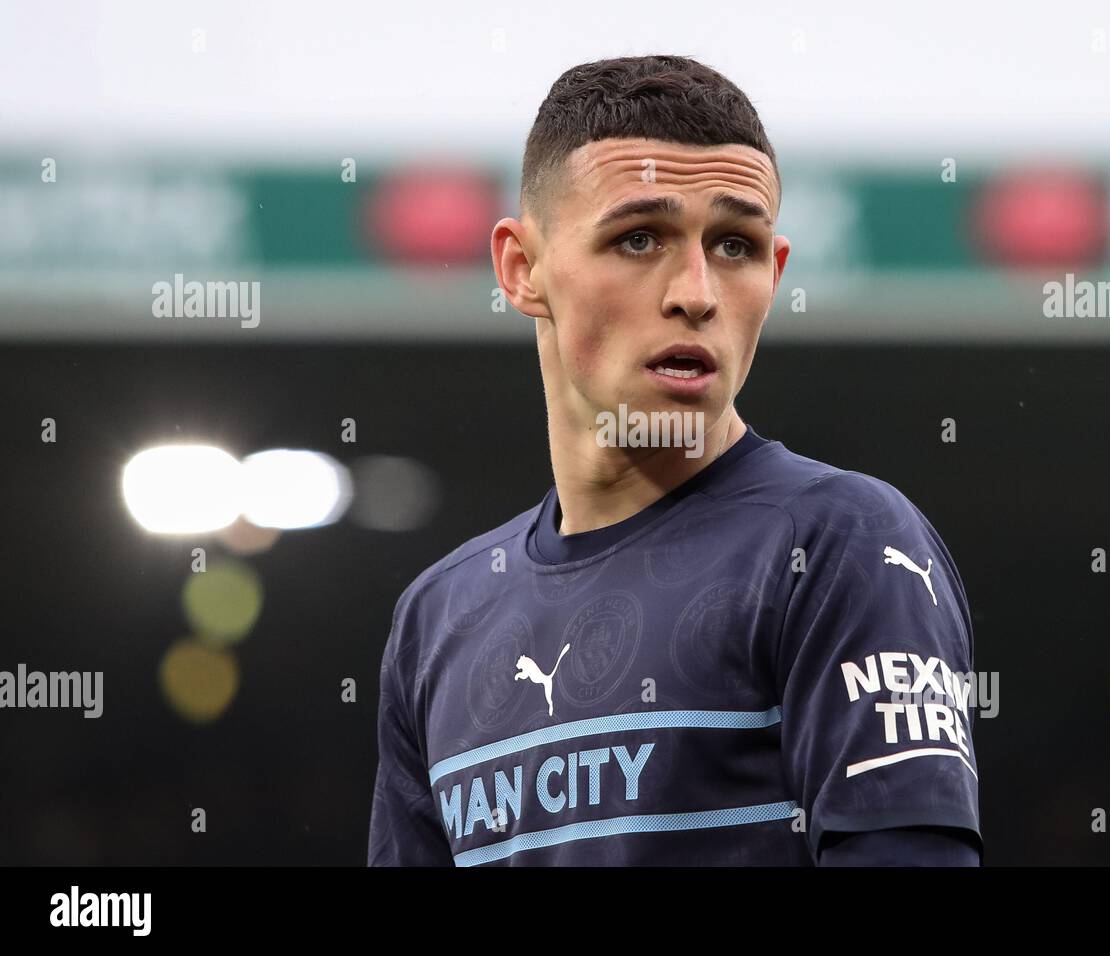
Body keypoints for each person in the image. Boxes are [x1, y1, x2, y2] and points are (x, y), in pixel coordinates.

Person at [367, 54, 981, 866]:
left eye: (735, 244)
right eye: (640, 238)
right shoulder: (437, 618)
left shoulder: (842, 545)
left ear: (777, 271)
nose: (696, 291)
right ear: (523, 269)